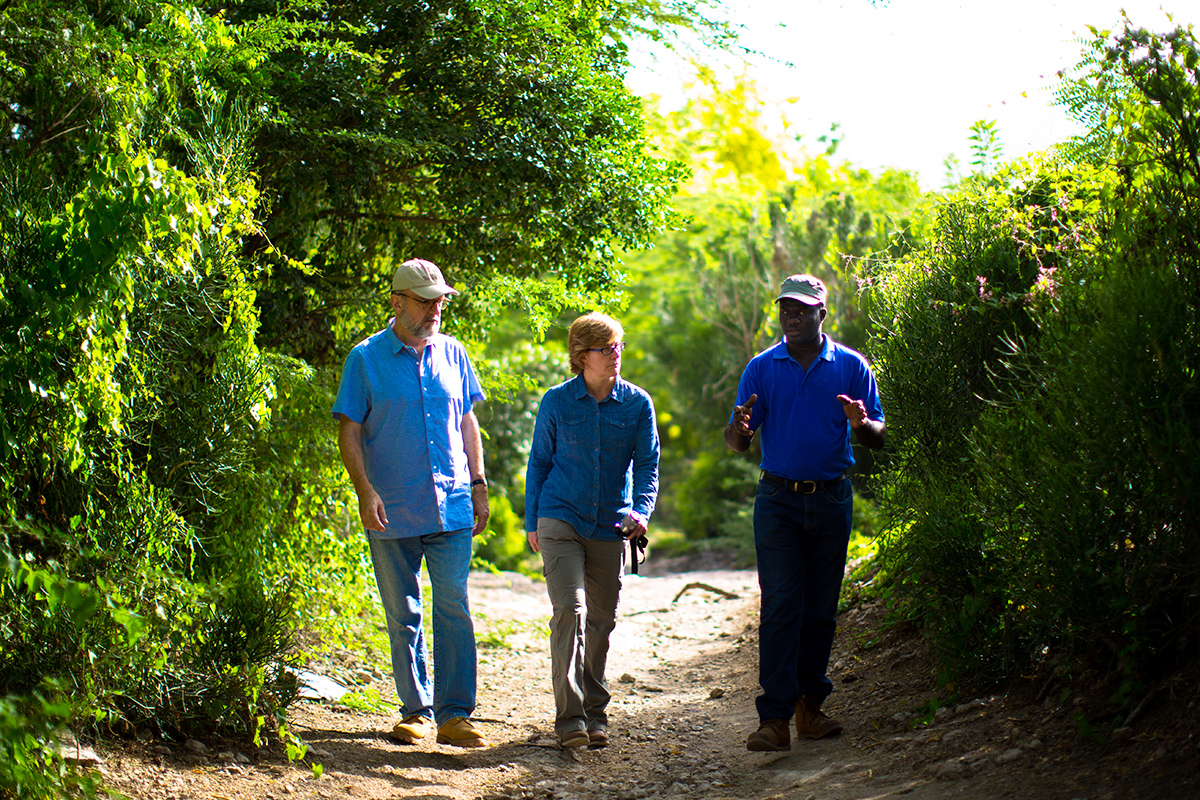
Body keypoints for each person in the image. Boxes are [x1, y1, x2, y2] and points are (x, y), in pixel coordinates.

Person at [332, 258, 491, 748]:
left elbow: (466, 421)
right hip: (392, 506)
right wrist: (365, 490)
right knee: (403, 611)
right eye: (425, 301)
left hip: (453, 502)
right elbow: (349, 428)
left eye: (440, 300)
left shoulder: (454, 353)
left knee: (454, 606)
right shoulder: (365, 359)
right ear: (397, 302)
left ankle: (455, 714)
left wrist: (480, 482)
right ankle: (416, 712)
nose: (435, 310)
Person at [724, 273, 886, 753]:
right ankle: (773, 719)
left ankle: (809, 710)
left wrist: (862, 422)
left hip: (832, 498)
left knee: (819, 611)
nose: (790, 317)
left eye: (801, 309)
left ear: (822, 312)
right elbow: (737, 443)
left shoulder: (852, 367)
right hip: (778, 501)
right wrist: (739, 429)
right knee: (779, 607)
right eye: (784, 309)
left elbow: (877, 435)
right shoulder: (762, 367)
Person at [525, 312, 660, 750]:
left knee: (602, 620)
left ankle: (595, 711)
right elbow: (540, 463)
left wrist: (642, 510)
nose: (616, 354)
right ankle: (569, 720)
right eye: (607, 348)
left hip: (611, 524)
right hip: (560, 516)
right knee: (571, 611)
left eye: (619, 345)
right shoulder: (556, 402)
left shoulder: (638, 403)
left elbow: (648, 465)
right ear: (582, 356)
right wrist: (533, 522)